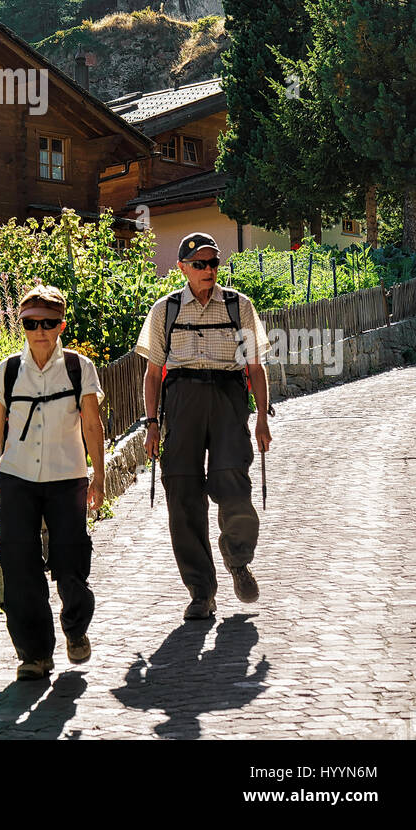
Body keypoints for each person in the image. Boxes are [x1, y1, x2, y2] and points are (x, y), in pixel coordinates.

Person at [0, 284, 106, 681]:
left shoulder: (80, 368)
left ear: (61, 324)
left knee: (71, 562)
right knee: (19, 566)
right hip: (17, 478)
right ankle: (34, 654)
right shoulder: (10, 370)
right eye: (32, 323)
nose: (40, 330)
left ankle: (76, 627)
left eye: (48, 323)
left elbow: (92, 424)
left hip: (67, 478)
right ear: (23, 325)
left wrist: (98, 474)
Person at [135, 233, 273, 621]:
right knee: (182, 493)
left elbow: (255, 368)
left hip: (228, 398)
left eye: (213, 263)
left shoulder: (238, 305)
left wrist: (261, 416)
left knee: (233, 482)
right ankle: (201, 592)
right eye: (200, 264)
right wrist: (151, 424)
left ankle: (238, 559)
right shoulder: (165, 310)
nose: (208, 270)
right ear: (182, 268)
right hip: (181, 401)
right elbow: (151, 373)